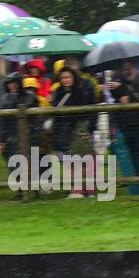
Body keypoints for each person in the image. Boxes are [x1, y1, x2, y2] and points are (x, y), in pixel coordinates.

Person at [109, 60, 139, 194]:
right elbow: (116, 95)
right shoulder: (119, 79)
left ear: (135, 68)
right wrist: (119, 88)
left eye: (129, 68)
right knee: (133, 155)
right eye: (124, 69)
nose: (127, 71)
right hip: (125, 123)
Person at [50, 65, 98, 196]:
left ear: (73, 77)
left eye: (68, 77)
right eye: (63, 77)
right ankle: (76, 189)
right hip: (63, 131)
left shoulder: (81, 91)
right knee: (69, 160)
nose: (65, 80)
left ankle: (89, 189)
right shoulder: (58, 93)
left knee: (86, 159)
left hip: (79, 129)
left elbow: (89, 110)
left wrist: (89, 128)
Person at [0, 72, 38, 160]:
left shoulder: (30, 97)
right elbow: (3, 121)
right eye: (9, 83)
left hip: (28, 136)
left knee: (31, 166)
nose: (11, 85)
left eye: (14, 82)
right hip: (11, 138)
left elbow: (36, 120)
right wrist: (2, 140)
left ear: (19, 83)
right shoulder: (4, 98)